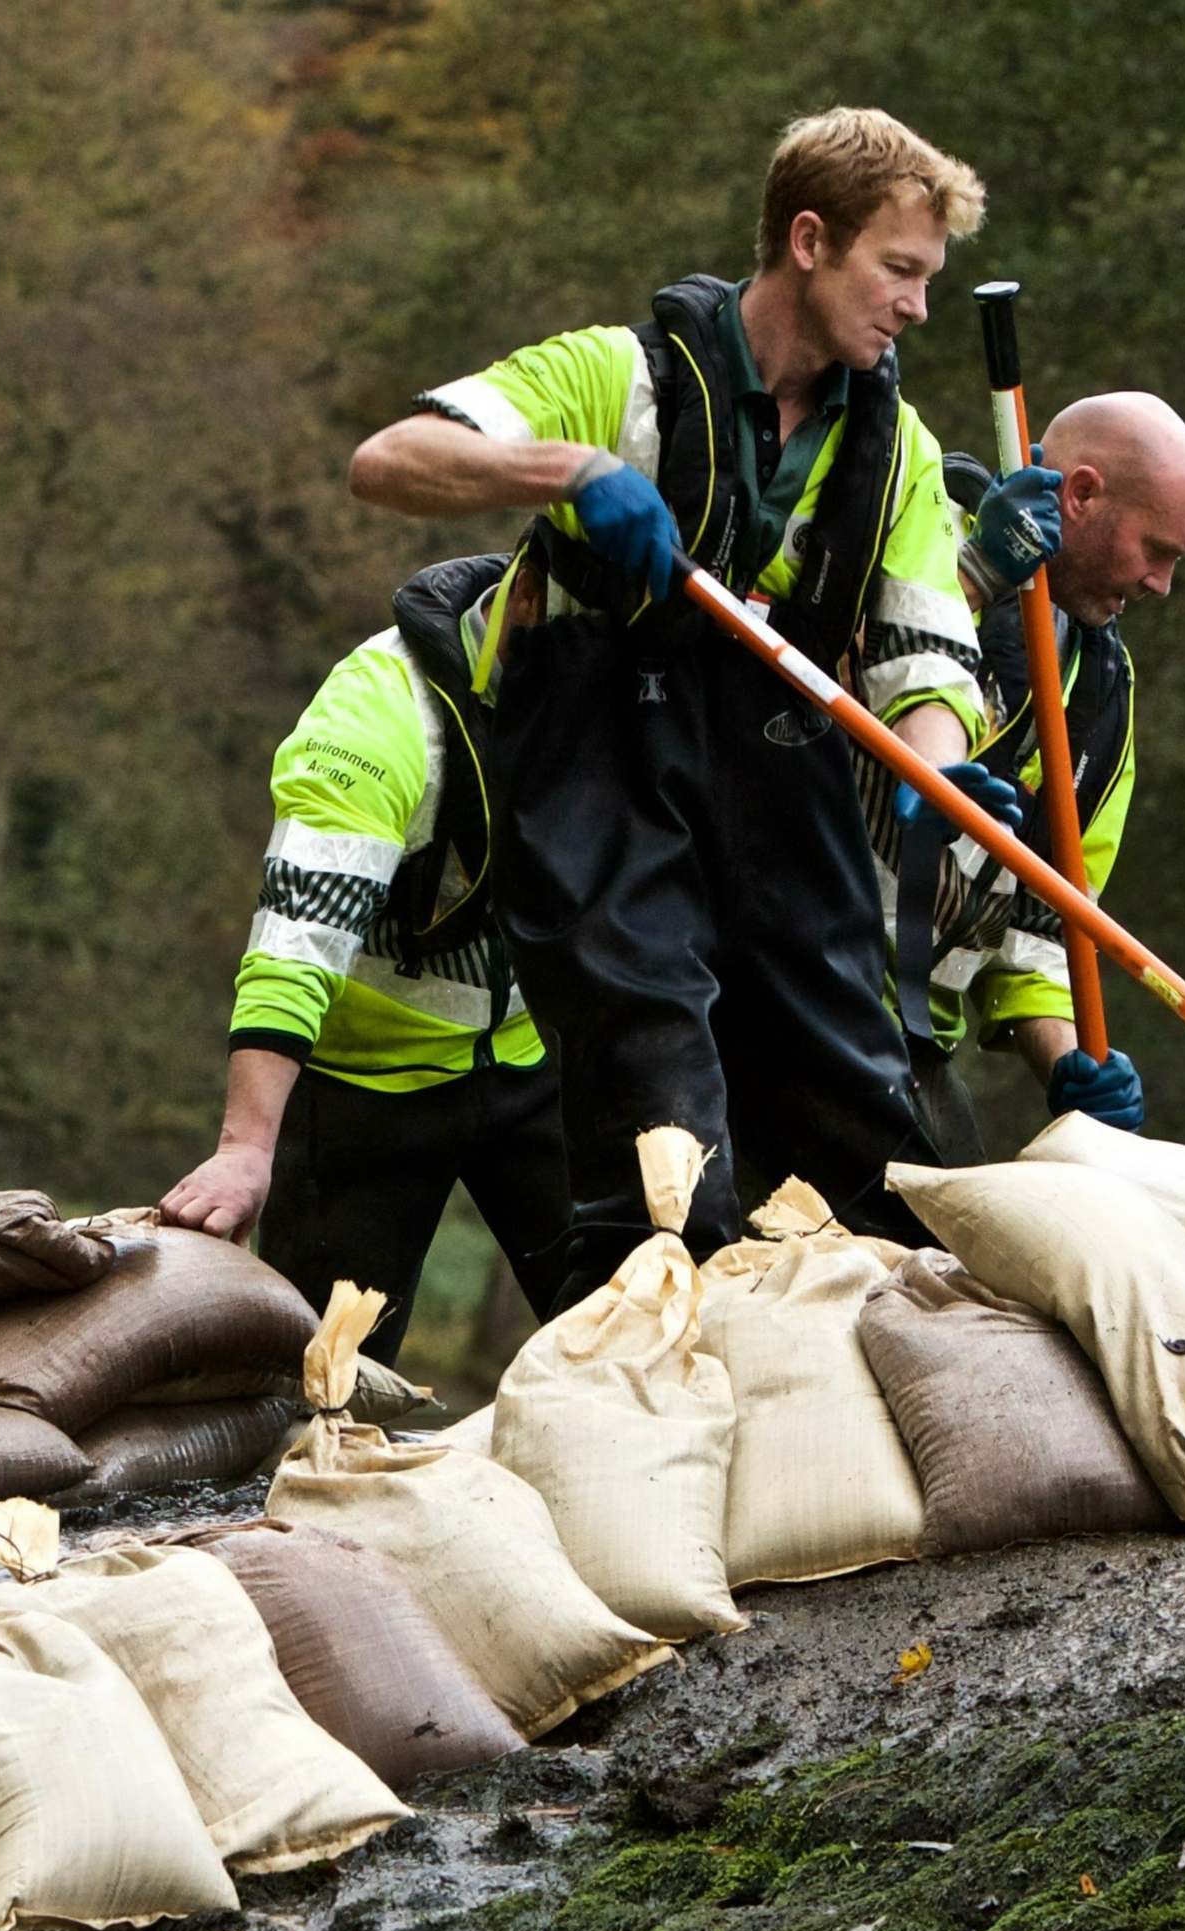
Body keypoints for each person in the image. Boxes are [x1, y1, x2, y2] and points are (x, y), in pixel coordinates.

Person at [343, 108, 998, 1284]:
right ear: (809, 240)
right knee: (656, 1110)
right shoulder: (617, 375)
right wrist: (569, 471)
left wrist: (937, 769)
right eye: (898, 270)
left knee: (860, 1101)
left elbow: (926, 660)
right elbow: (386, 461)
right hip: (602, 779)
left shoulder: (894, 450)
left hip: (783, 791)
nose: (916, 307)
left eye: (928, 280)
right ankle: (654, 1365)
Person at [154, 555, 569, 1365]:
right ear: (527, 595)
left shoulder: (623, 686)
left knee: (645, 1327)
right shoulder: (377, 712)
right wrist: (246, 1147)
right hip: (363, 1089)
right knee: (320, 1383)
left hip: (539, 1059)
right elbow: (297, 934)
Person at [900, 391, 1185, 1159]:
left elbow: (1039, 935)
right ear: (1080, 494)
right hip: (771, 987)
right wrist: (978, 579)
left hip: (912, 1044)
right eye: (1157, 549)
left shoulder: (1104, 697)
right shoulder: (915, 537)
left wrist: (1072, 1064)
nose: (1161, 584)